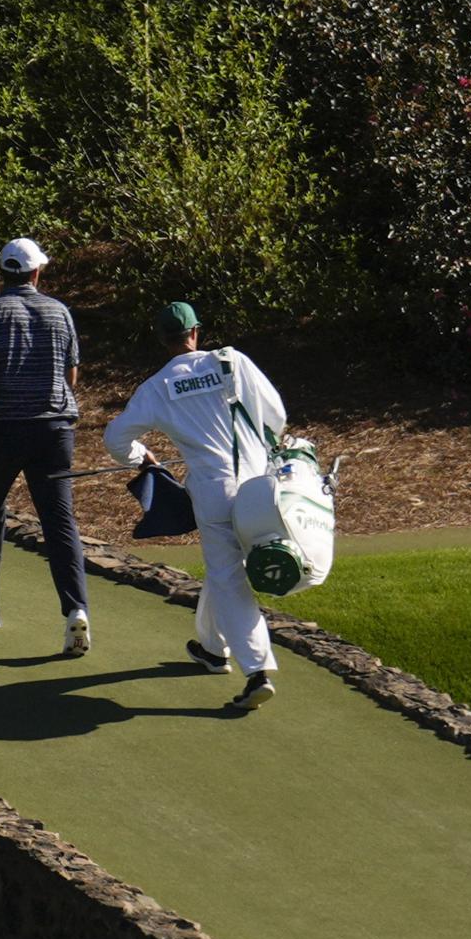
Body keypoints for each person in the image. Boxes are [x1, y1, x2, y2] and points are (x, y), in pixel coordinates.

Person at [103, 301, 288, 711]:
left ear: (162, 339)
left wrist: (141, 457)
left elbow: (115, 440)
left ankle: (257, 671)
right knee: (223, 573)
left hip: (214, 491)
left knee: (227, 576)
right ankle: (211, 648)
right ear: (196, 332)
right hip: (261, 486)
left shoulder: (154, 388)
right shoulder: (231, 361)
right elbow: (276, 414)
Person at [0, 236, 93, 653]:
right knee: (59, 520)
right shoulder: (60, 311)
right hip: (54, 431)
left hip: (6, 430)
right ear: (36, 272)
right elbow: (71, 376)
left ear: (2, 273)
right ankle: (76, 610)